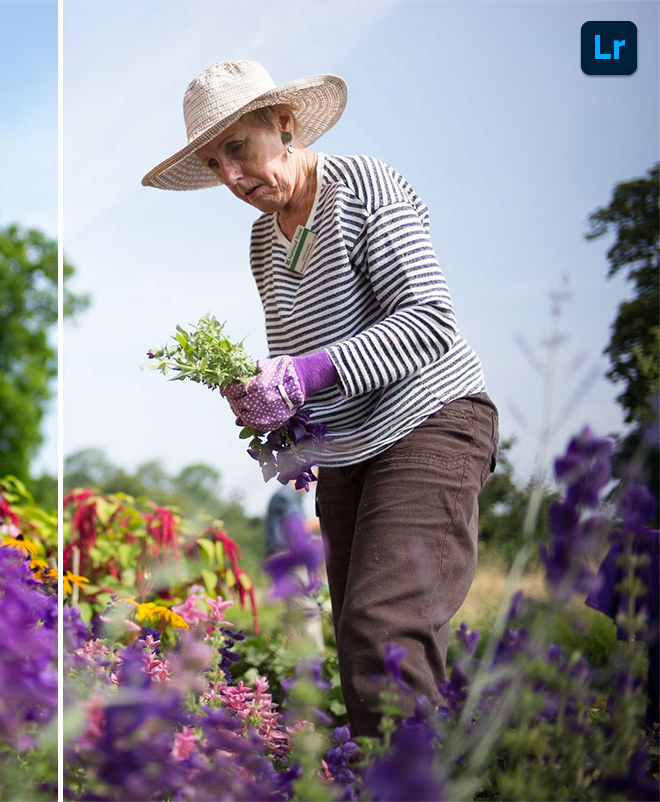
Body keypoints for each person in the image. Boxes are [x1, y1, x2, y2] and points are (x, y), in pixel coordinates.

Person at [142, 60, 499, 737]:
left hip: (433, 420)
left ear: (283, 124)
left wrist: (303, 374)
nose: (232, 178)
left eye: (238, 150)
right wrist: (271, 406)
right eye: (215, 164)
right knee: (359, 644)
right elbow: (306, 367)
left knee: (384, 627)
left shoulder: (363, 184)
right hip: (350, 451)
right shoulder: (261, 242)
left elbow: (429, 319)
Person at [265, 481, 325, 652]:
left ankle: (298, 660)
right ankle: (314, 661)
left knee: (295, 611)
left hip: (284, 559)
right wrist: (329, 518)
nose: (310, 487)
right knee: (306, 609)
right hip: (290, 560)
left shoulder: (288, 497)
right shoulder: (286, 497)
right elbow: (299, 527)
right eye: (311, 480)